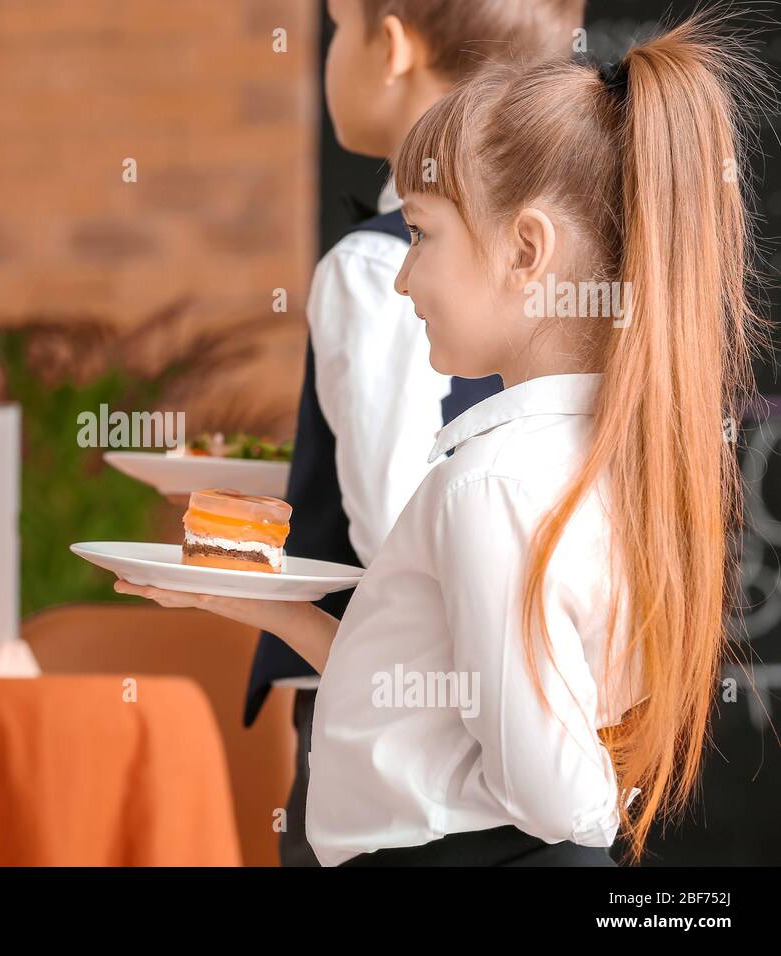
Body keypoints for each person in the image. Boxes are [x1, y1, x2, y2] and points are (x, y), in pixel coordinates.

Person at [121, 11, 765, 865]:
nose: (401, 270)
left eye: (421, 233)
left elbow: (553, 791)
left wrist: (599, 808)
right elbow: (439, 695)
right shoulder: (590, 457)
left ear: (525, 250)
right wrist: (283, 613)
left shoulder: (489, 485)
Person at [242, 0, 583, 865]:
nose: (408, 277)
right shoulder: (574, 280)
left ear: (389, 46)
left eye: (336, 26)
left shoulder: (365, 268)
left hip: (399, 752)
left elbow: (397, 531)